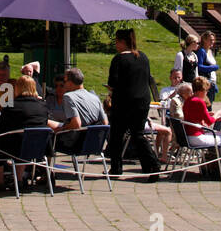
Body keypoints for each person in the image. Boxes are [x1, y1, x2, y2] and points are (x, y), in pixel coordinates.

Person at [105, 28, 161, 180]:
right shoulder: (143, 57)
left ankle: (116, 167)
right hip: (142, 99)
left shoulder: (119, 59)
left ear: (122, 42)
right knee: (138, 134)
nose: (116, 45)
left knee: (117, 134)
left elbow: (113, 83)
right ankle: (150, 164)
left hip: (124, 101)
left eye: (116, 42)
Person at [0, 75, 57, 188]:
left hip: (16, 147)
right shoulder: (43, 106)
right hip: (40, 147)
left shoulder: (11, 106)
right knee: (23, 139)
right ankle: (19, 179)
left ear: (17, 88)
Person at [181, 76, 221, 178]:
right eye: (206, 90)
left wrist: (209, 113)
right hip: (195, 137)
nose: (207, 93)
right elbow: (209, 122)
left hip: (187, 135)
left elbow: (196, 115)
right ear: (201, 90)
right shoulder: (199, 101)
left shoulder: (189, 100)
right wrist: (219, 113)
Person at [54, 68, 107, 154]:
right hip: (95, 143)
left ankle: (41, 166)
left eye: (65, 81)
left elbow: (76, 124)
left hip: (76, 144)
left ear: (70, 83)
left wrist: (62, 129)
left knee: (48, 139)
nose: (64, 84)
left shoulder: (68, 97)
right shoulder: (94, 97)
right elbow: (105, 123)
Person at [198, 32, 221, 103]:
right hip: (206, 80)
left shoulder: (210, 51)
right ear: (204, 40)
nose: (212, 42)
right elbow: (199, 66)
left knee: (211, 102)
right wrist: (214, 68)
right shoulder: (201, 51)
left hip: (212, 80)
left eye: (213, 40)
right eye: (210, 40)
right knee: (207, 103)